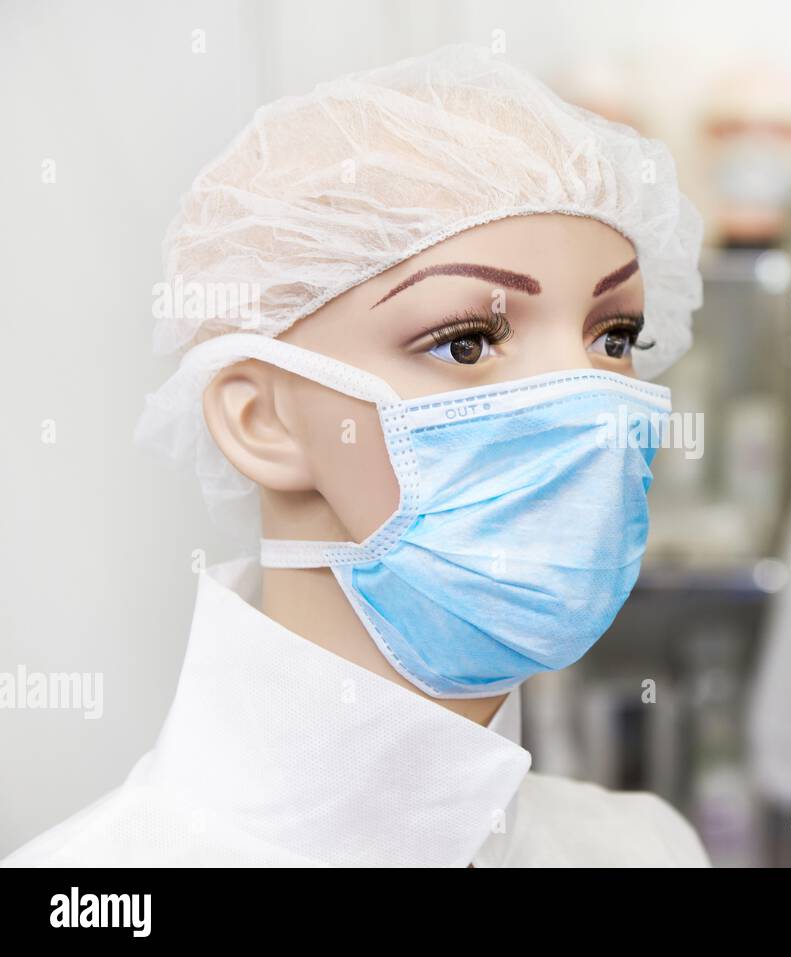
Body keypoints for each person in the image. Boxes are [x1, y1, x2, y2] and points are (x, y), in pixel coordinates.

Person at [2, 44, 709, 867]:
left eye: (614, 336)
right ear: (261, 417)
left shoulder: (645, 848)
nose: (587, 402)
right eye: (469, 342)